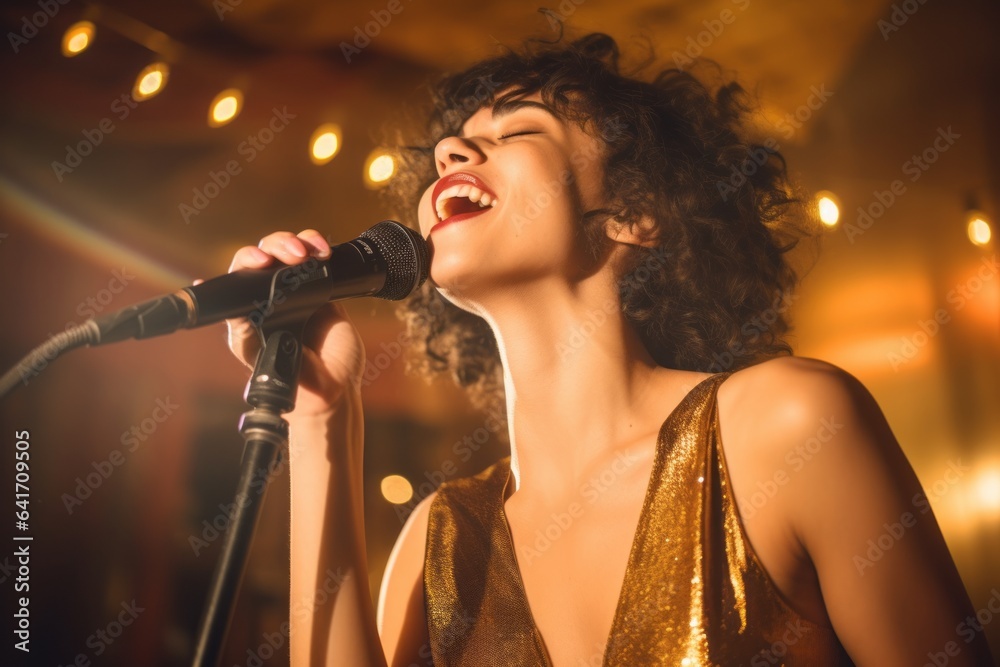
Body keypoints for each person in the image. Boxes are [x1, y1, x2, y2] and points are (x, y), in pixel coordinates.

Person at [225, 32, 993, 666]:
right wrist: (320, 417)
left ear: (633, 214)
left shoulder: (787, 425)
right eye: (452, 148)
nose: (452, 151)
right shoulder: (440, 538)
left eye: (516, 132)